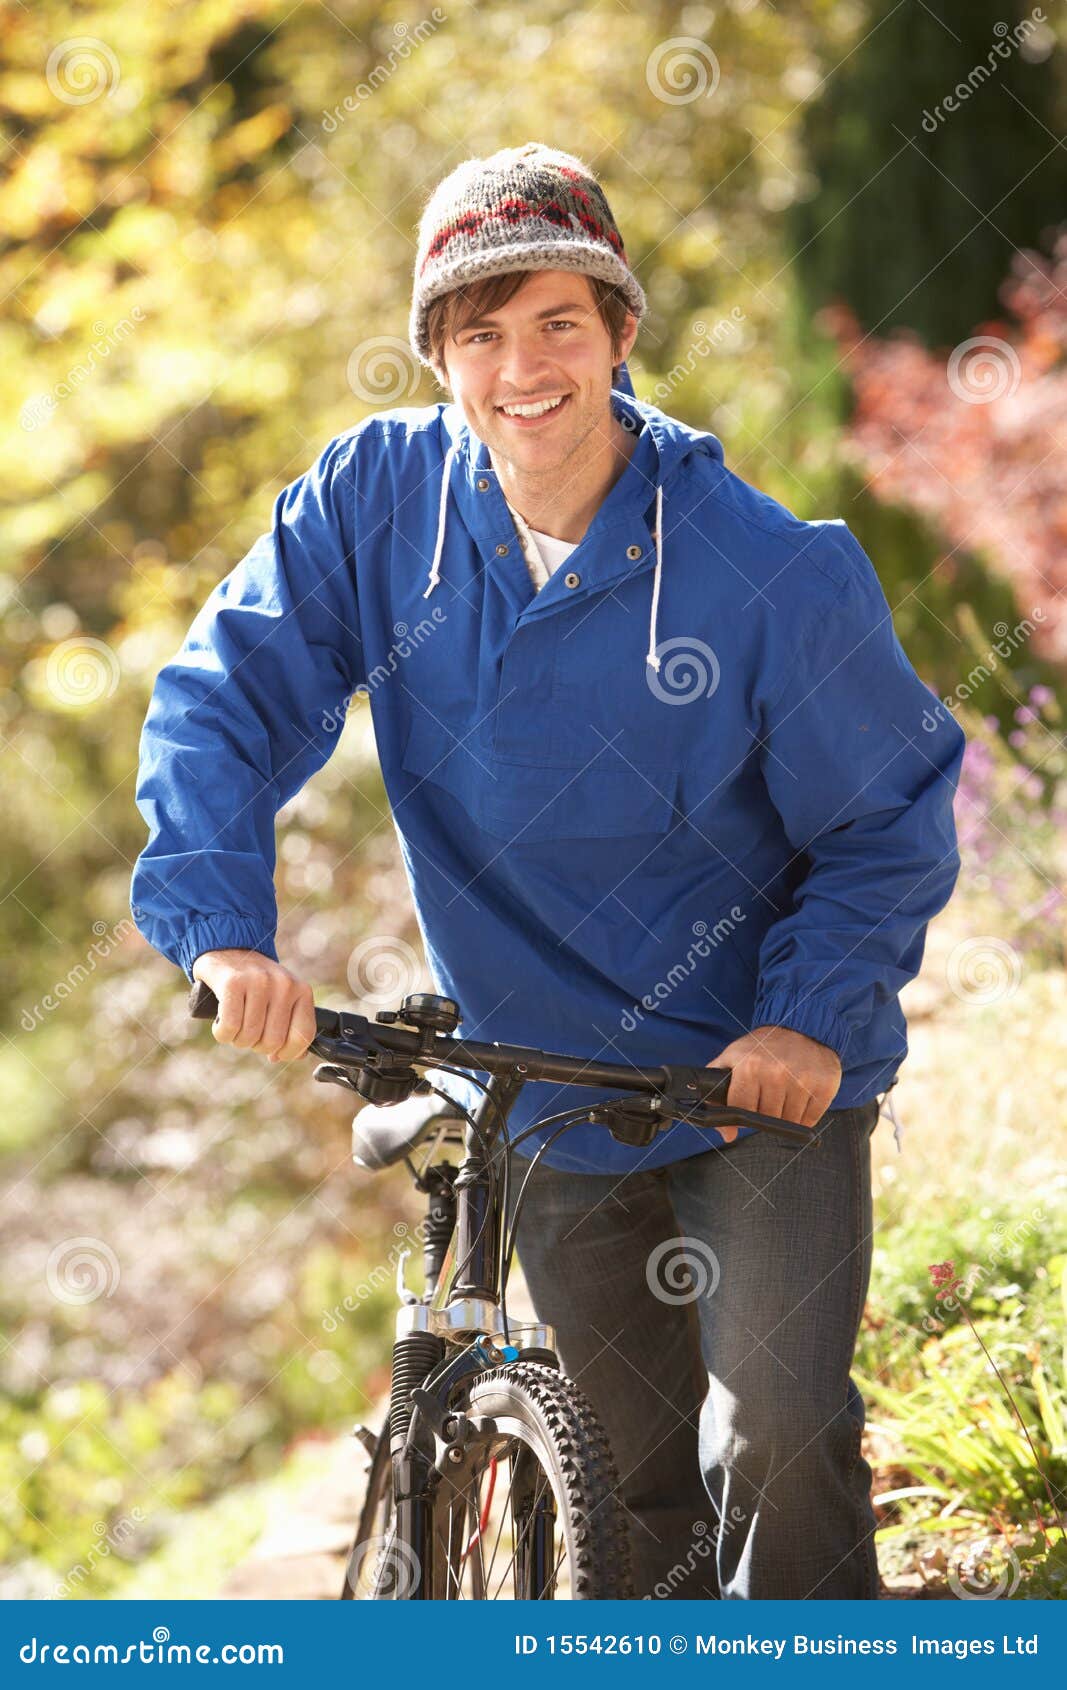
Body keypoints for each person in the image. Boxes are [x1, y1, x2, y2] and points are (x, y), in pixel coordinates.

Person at [131, 142, 966, 1600]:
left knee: (777, 1437)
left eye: (559, 324)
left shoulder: (764, 570)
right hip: (551, 1090)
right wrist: (224, 927)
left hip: (748, 1086)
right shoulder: (374, 505)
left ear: (621, 333)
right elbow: (224, 696)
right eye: (480, 332)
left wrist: (810, 1016)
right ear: (440, 355)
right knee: (632, 1493)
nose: (522, 368)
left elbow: (884, 819)